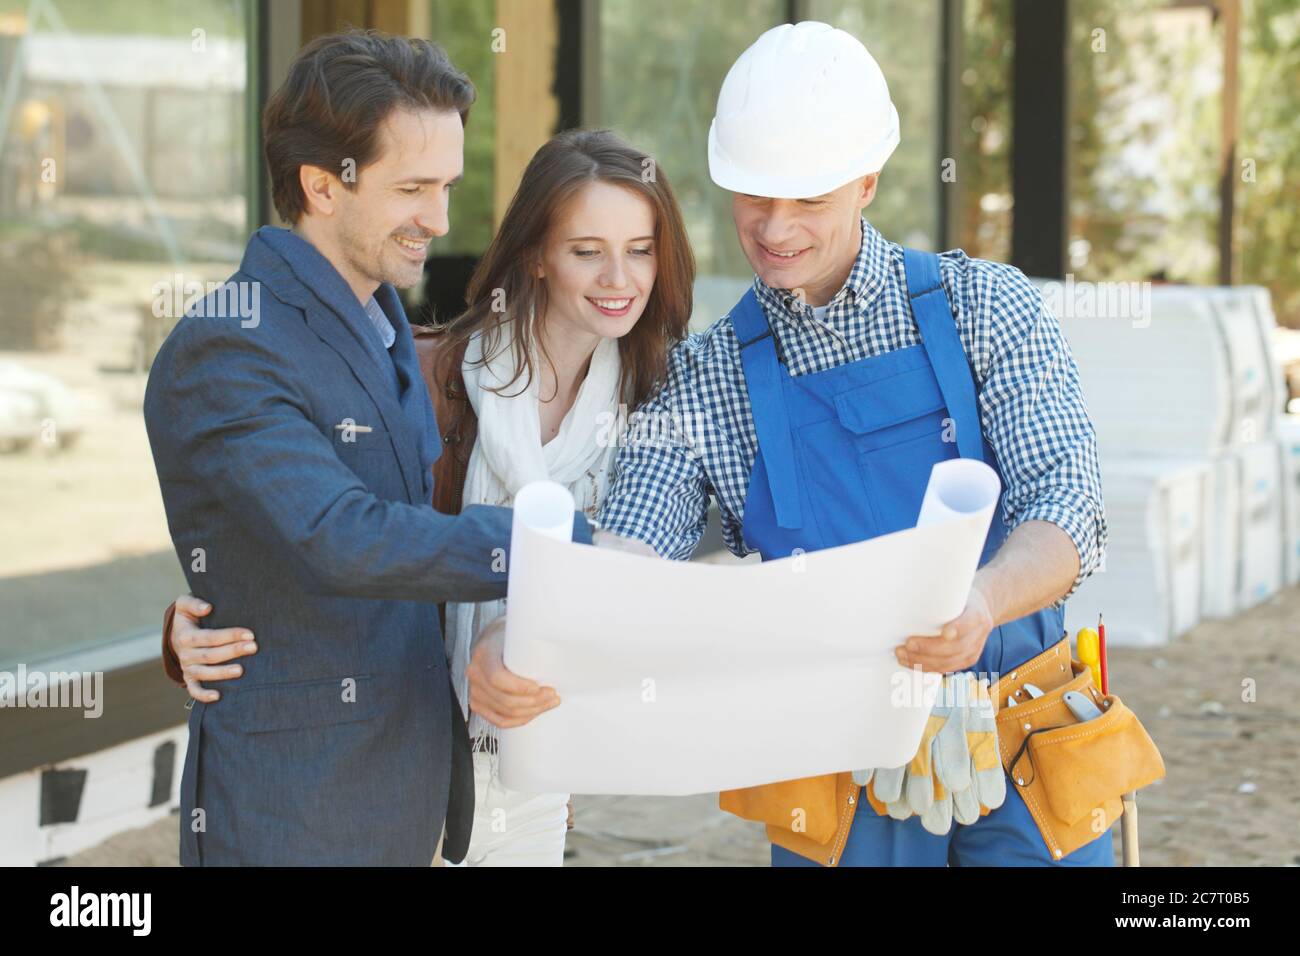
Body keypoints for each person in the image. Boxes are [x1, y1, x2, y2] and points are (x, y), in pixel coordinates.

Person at [592, 21, 1111, 867]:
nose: (774, 226)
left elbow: (1069, 505)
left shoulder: (986, 308)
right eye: (755, 196)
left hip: (1022, 743)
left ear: (867, 182)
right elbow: (633, 542)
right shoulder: (707, 375)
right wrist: (550, 624)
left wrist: (980, 604)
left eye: (809, 199)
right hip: (835, 766)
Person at [143, 31, 639, 866]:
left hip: (413, 801)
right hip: (296, 812)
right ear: (320, 187)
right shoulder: (226, 343)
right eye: (413, 188)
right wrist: (555, 548)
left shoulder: (390, 332)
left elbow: (407, 532)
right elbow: (335, 533)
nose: (440, 221)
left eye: (445, 186)